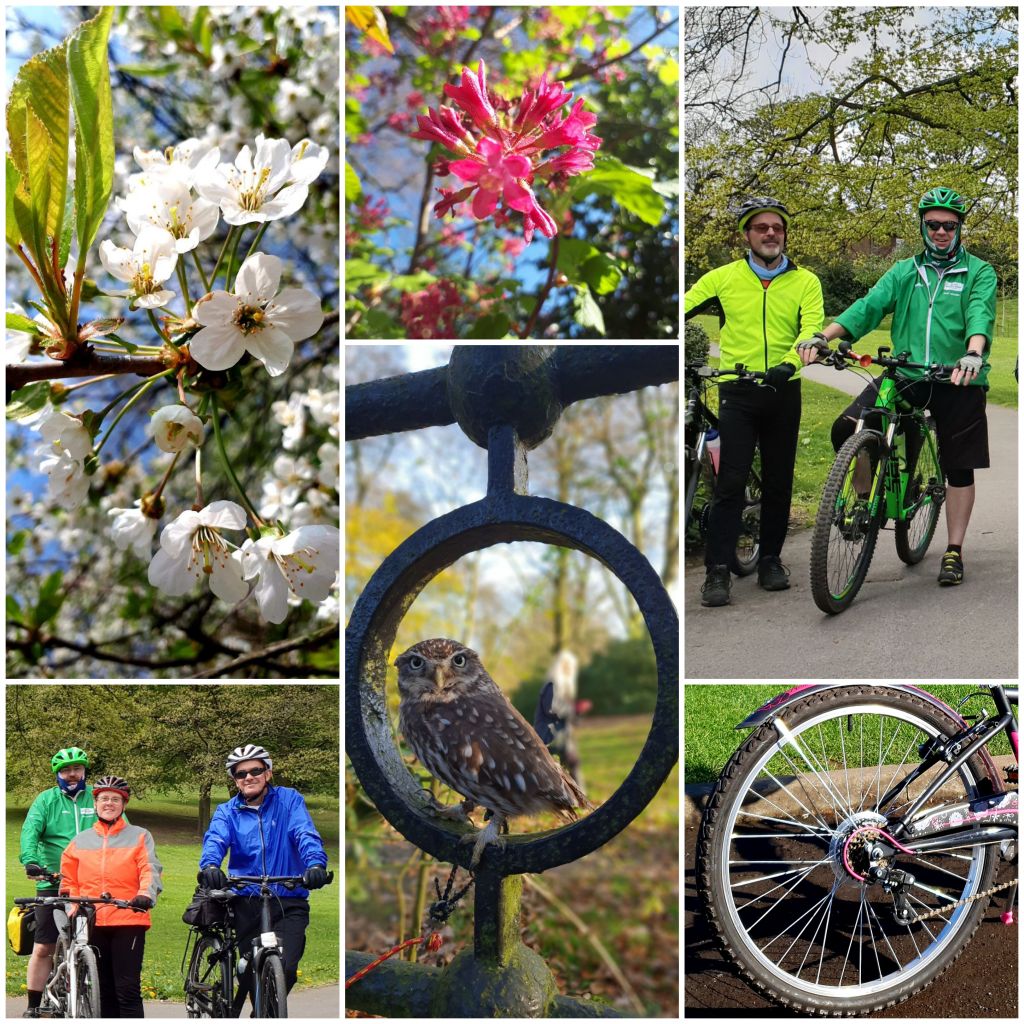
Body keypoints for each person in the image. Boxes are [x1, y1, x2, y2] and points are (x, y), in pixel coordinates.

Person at [798, 187, 997, 585]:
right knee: (847, 428)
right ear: (922, 227)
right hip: (905, 375)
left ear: (959, 229)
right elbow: (869, 306)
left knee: (958, 466)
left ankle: (954, 550)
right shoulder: (906, 270)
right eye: (933, 225)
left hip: (957, 378)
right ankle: (861, 501)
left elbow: (980, 314)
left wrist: (973, 353)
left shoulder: (979, 271)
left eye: (949, 226)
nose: (941, 231)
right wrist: (824, 336)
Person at [685, 197, 825, 605]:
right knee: (730, 482)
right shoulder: (722, 278)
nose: (770, 234)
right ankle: (717, 571)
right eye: (761, 228)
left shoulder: (806, 281)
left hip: (783, 388)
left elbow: (812, 330)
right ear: (746, 235)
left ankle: (770, 560)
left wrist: (788, 362)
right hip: (738, 391)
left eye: (777, 228)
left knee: (780, 482)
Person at [198, 744, 330, 1005]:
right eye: (240, 773)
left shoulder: (289, 800)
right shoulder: (227, 812)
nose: (248, 777)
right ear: (235, 780)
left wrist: (315, 864)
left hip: (288, 897)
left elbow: (304, 833)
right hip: (247, 899)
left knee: (286, 967)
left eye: (255, 770)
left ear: (268, 773)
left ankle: (265, 1011)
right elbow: (215, 839)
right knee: (249, 969)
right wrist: (211, 866)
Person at [60, 775, 163, 1018]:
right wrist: (72, 907)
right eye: (104, 798)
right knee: (101, 989)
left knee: (126, 989)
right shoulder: (80, 840)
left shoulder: (140, 835)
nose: (109, 803)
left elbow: (149, 868)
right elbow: (68, 879)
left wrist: (144, 895)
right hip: (92, 918)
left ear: (123, 805)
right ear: (95, 804)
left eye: (115, 799)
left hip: (128, 917)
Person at [19, 747, 96, 1019]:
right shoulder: (46, 800)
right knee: (44, 946)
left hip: (92, 879)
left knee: (98, 943)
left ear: (85, 771)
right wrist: (31, 861)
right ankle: (33, 1004)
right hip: (53, 879)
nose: (72, 774)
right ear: (58, 774)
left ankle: (92, 987)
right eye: (66, 770)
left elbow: (120, 829)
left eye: (77, 768)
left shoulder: (98, 799)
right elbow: (30, 832)